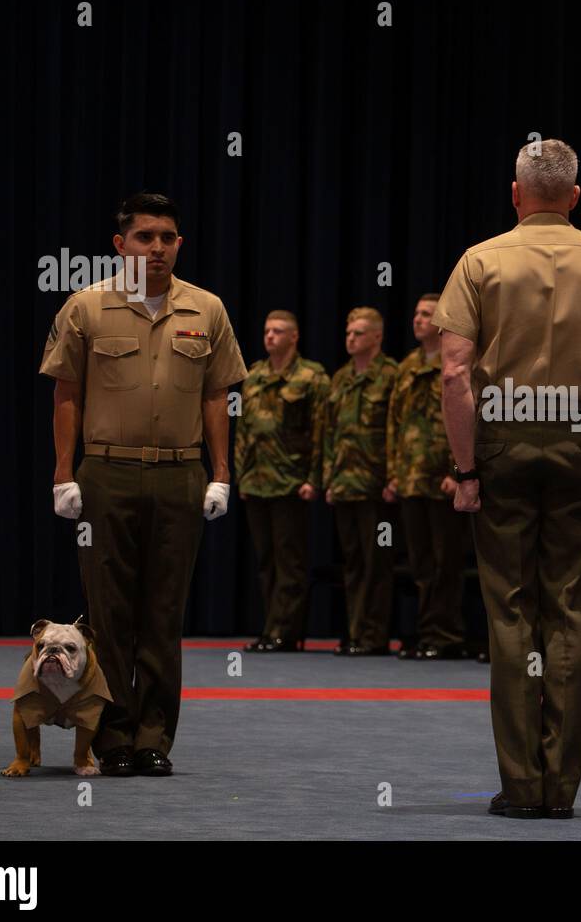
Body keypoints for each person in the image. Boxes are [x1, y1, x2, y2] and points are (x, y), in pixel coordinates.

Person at [434, 138, 581, 820]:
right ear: (575, 196)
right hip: (575, 445)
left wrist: (468, 467)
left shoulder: (480, 260)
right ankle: (560, 790)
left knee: (509, 612)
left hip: (503, 443)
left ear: (515, 193)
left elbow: (453, 374)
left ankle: (521, 785)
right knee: (570, 613)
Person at [40, 192, 248, 776]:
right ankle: (111, 737)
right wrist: (63, 474)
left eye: (168, 237)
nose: (157, 247)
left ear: (179, 244)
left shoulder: (207, 310)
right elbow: (66, 393)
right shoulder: (86, 307)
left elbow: (217, 395)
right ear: (120, 244)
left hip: (181, 472)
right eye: (145, 236)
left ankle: (154, 737)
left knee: (164, 611)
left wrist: (221, 474)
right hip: (105, 471)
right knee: (108, 614)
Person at [237, 311, 329, 653]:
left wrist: (313, 478)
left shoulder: (311, 376)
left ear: (294, 337)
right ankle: (271, 626)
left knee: (290, 561)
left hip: (291, 480)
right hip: (258, 480)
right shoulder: (255, 375)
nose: (270, 336)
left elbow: (321, 431)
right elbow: (243, 432)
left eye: (278, 331)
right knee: (266, 561)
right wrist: (241, 476)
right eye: (266, 331)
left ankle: (285, 631)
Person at [384, 294, 469, 660]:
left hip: (443, 482)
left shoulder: (460, 364)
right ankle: (426, 632)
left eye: (426, 314)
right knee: (420, 564)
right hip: (412, 480)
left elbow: (468, 420)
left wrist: (458, 471)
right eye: (416, 313)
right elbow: (395, 424)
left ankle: (446, 634)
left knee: (445, 563)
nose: (417, 319)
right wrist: (394, 474)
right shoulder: (405, 368)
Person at [324, 307, 399, 655]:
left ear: (377, 337)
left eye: (358, 333)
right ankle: (355, 632)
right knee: (352, 564)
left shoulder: (393, 375)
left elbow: (398, 430)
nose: (350, 338)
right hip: (344, 485)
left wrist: (394, 476)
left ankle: (374, 635)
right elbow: (329, 433)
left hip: (376, 486)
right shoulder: (340, 379)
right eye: (348, 332)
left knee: (376, 564)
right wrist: (329, 478)